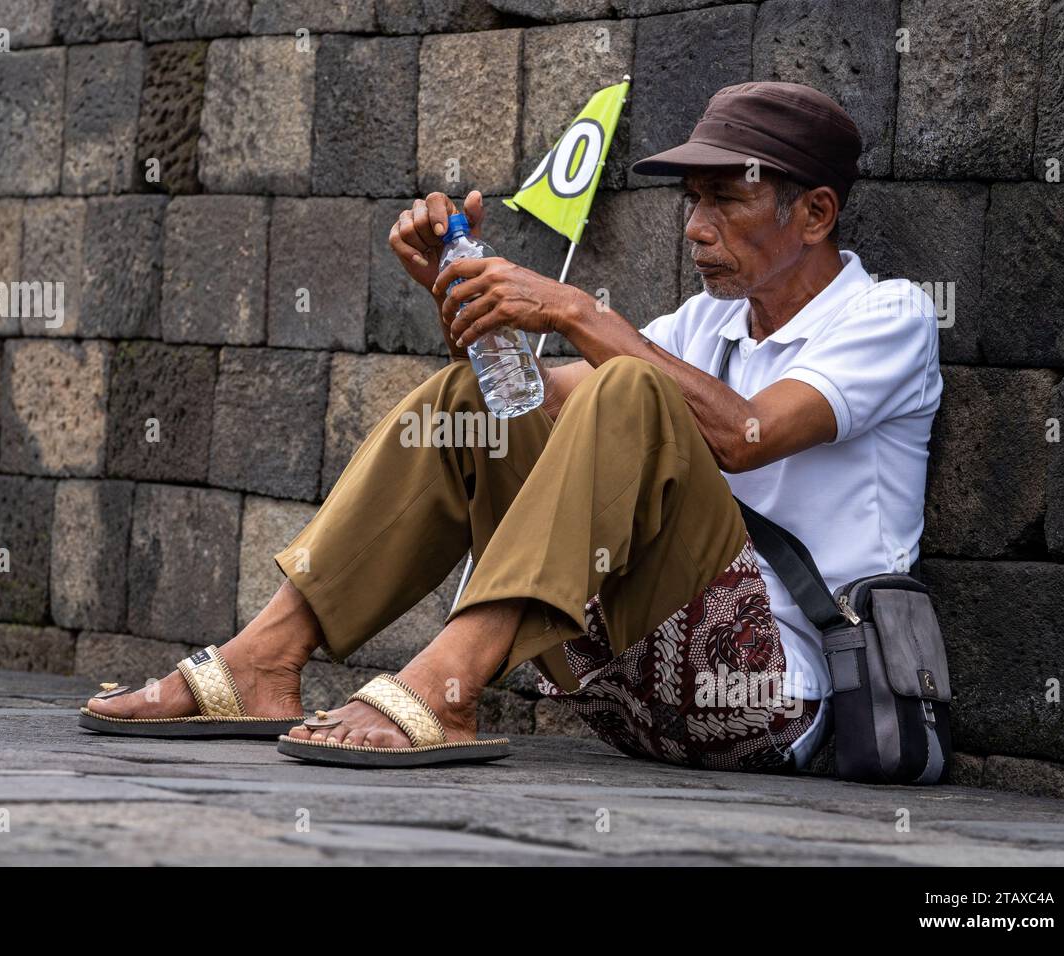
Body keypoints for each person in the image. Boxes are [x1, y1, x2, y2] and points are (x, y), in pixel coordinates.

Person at [81, 81, 941, 772]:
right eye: (690, 201)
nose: (696, 229)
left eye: (724, 201)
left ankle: (453, 681)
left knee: (629, 388)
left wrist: (572, 308)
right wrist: (466, 296)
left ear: (816, 214)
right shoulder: (703, 327)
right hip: (627, 679)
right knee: (471, 406)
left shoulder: (886, 316)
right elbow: (527, 405)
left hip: (764, 693)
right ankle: (263, 660)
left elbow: (746, 434)